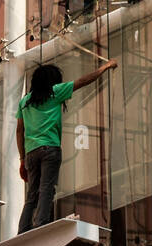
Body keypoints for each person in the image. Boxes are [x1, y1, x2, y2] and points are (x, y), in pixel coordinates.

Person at [17, 59, 119, 233]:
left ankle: (23, 230)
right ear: (52, 80)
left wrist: (22, 158)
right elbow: (83, 81)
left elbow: (19, 131)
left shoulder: (25, 102)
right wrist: (105, 67)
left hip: (31, 152)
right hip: (50, 149)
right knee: (47, 188)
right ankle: (40, 225)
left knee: (32, 195)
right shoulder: (55, 92)